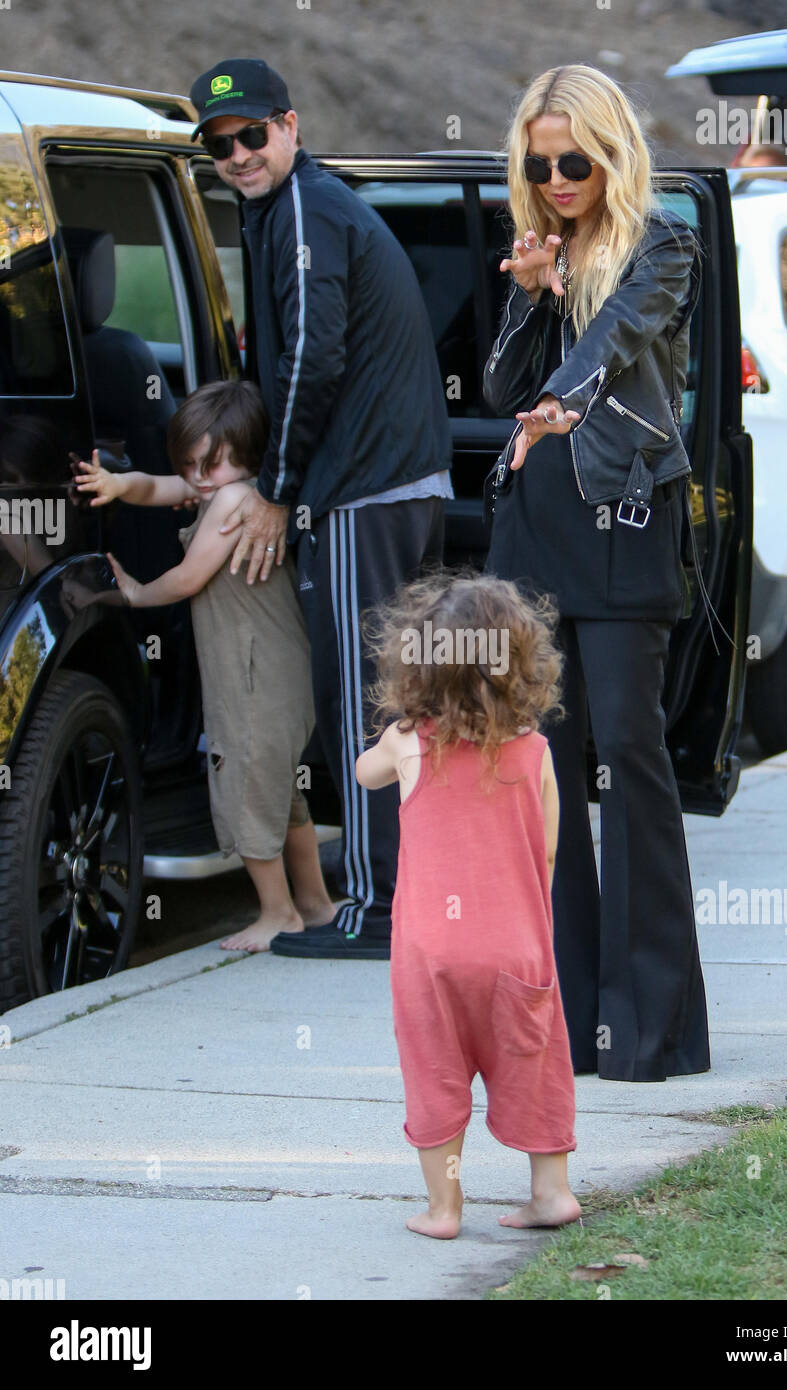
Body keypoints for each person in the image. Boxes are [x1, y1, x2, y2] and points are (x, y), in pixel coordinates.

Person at [188, 58, 452, 959]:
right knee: (394, 696)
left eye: (252, 134)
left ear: (290, 126)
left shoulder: (303, 209)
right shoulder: (298, 206)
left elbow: (311, 359)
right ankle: (402, 896)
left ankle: (375, 912)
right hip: (394, 484)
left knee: (362, 700)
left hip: (362, 488)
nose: (238, 154)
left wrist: (278, 488)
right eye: (220, 144)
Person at [482, 64, 712, 1082]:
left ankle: (650, 1023)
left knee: (629, 754)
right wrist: (531, 297)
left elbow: (614, 346)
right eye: (541, 163)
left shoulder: (661, 240)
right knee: (545, 775)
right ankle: (571, 1021)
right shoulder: (545, 247)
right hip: (537, 533)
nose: (559, 178)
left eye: (575, 159)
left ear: (609, 153)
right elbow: (498, 386)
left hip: (622, 521)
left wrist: (559, 396)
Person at [355, 571, 580, 1239]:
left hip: (430, 954)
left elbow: (364, 772)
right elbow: (546, 855)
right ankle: (551, 1192)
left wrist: (397, 736)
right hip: (515, 945)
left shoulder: (405, 744)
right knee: (535, 1065)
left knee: (435, 1072)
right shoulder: (535, 751)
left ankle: (444, 1208)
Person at [76, 379, 335, 951]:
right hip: (277, 676)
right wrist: (117, 483)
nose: (194, 477)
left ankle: (277, 913)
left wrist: (137, 594)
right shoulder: (228, 488)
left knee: (245, 791)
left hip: (252, 678)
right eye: (189, 464)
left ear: (243, 455)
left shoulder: (234, 500)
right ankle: (314, 904)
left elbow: (191, 577)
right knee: (283, 795)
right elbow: (157, 487)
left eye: (207, 464)